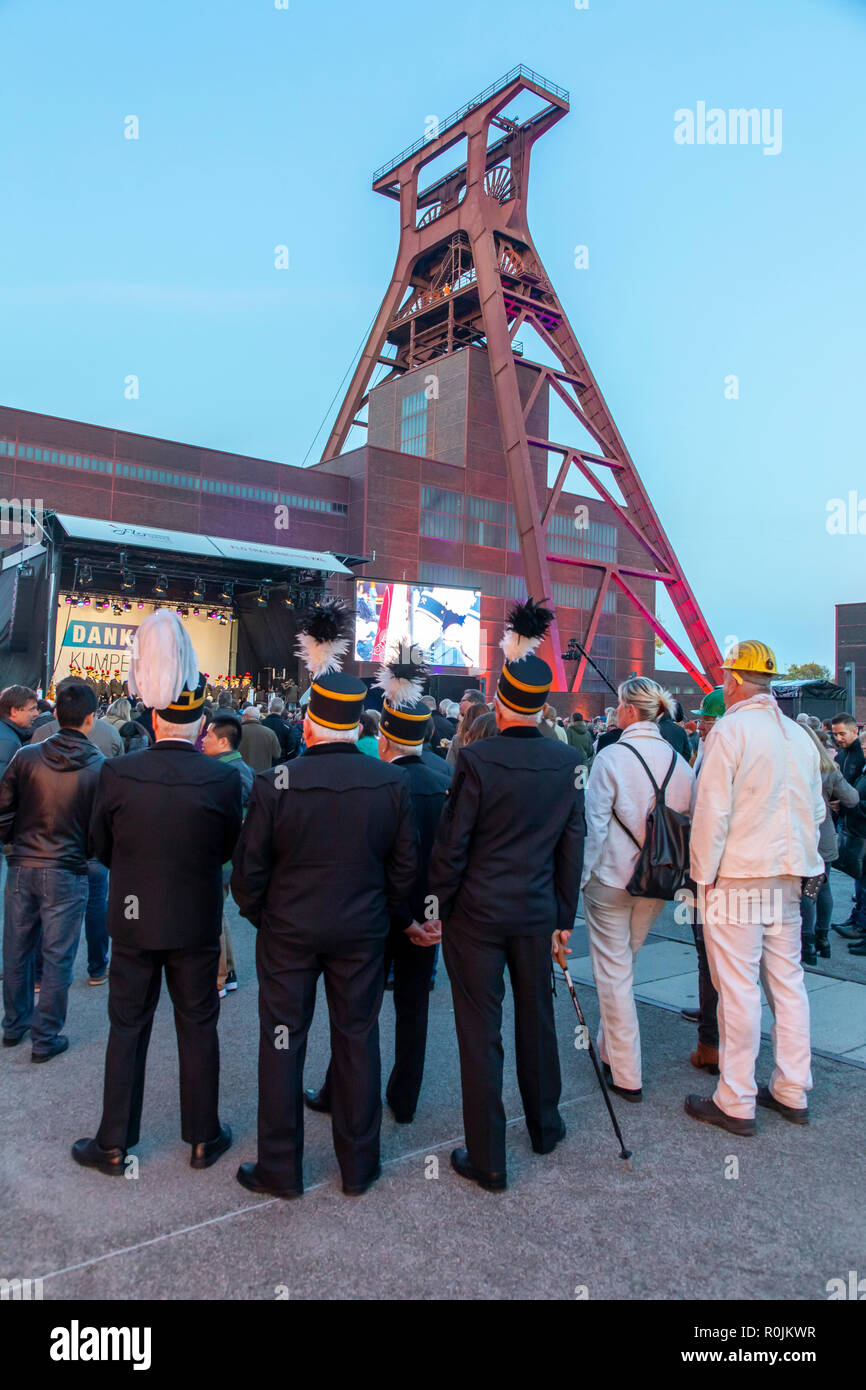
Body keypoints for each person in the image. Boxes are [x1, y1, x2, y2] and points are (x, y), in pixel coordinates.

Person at [231, 602, 417, 1199]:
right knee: (357, 1039)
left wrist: (268, 919)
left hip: (288, 930)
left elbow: (248, 873)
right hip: (360, 932)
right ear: (358, 726)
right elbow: (404, 870)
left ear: (309, 722)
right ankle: (360, 1167)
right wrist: (380, 918)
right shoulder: (390, 782)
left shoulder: (276, 783)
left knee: (282, 1041)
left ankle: (281, 1169)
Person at [72, 611, 242, 1177]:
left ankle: (114, 1143)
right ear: (198, 724)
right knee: (199, 1028)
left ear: (151, 712)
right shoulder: (221, 778)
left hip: (134, 921)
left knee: (128, 1029)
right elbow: (226, 849)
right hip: (194, 922)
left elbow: (99, 844)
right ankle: (202, 1138)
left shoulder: (119, 773)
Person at [428, 600, 585, 1191]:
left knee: (479, 1027)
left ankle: (488, 1156)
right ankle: (545, 1125)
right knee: (537, 1018)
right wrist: (563, 918)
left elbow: (453, 846)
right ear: (544, 707)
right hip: (537, 912)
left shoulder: (476, 759)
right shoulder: (569, 761)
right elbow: (573, 847)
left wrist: (434, 907)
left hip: (477, 913)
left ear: (499, 702)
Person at [686, 639, 824, 1135]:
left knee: (738, 988)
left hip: (739, 876)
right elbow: (818, 812)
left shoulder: (731, 730)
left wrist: (702, 878)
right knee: (788, 984)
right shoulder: (798, 736)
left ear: (735, 680)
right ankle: (792, 1087)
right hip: (789, 875)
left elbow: (711, 812)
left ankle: (736, 1098)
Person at [305, 659, 448, 1125]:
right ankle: (404, 1099)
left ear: (384, 737)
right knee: (415, 1007)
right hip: (429, 915)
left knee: (358, 1009)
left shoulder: (377, 780)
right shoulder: (448, 779)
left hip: (379, 911)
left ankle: (337, 1088)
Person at [581, 677, 694, 1100]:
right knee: (624, 965)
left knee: (613, 973)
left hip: (610, 878)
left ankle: (626, 1072)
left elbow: (593, 827)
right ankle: (610, 1050)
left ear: (628, 710)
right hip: (656, 880)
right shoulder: (680, 764)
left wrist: (580, 878)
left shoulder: (612, 757)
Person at [0, 680, 104, 1057]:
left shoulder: (27, 756)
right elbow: (102, 828)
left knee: (16, 947)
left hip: (24, 863)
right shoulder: (99, 767)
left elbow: (3, 807)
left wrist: (14, 840)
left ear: (56, 713)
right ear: (91, 718)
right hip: (68, 868)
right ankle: (45, 1038)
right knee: (58, 955)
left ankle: (14, 1025)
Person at [202, 714, 254, 997]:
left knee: (211, 914)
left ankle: (219, 977)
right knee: (217, 913)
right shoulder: (242, 768)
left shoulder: (220, 774)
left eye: (208, 736)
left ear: (223, 741)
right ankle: (228, 972)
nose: (203, 740)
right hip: (234, 855)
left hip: (220, 855)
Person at [798, 724, 858, 964]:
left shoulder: (794, 769)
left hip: (803, 838)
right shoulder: (828, 769)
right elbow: (852, 798)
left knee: (808, 891)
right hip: (824, 838)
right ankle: (822, 939)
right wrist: (834, 801)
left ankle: (809, 942)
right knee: (823, 887)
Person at [829, 714, 866, 942]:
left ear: (854, 731)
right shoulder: (843, 755)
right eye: (835, 734)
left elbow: (855, 793)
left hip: (859, 823)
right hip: (851, 820)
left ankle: (860, 924)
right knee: (858, 875)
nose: (838, 738)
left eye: (842, 734)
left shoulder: (858, 757)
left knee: (862, 876)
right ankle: (857, 920)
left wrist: (847, 804)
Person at [0, 685, 38, 775]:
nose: (36, 713)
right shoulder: (8, 742)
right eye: (32, 709)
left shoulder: (7, 733)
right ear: (14, 711)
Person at [446, 689, 486, 767]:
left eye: (463, 700)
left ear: (474, 703)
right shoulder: (458, 737)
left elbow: (449, 768)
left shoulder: (458, 738)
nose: (459, 703)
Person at [239, 705, 281, 773]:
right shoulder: (270, 733)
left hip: (242, 775)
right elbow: (277, 754)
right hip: (262, 774)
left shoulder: (236, 732)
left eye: (242, 715)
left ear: (246, 716)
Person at [262, 697, 295, 763]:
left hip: (263, 762)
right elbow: (291, 747)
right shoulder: (287, 726)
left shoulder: (261, 723)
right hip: (281, 763)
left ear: (270, 708)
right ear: (282, 709)